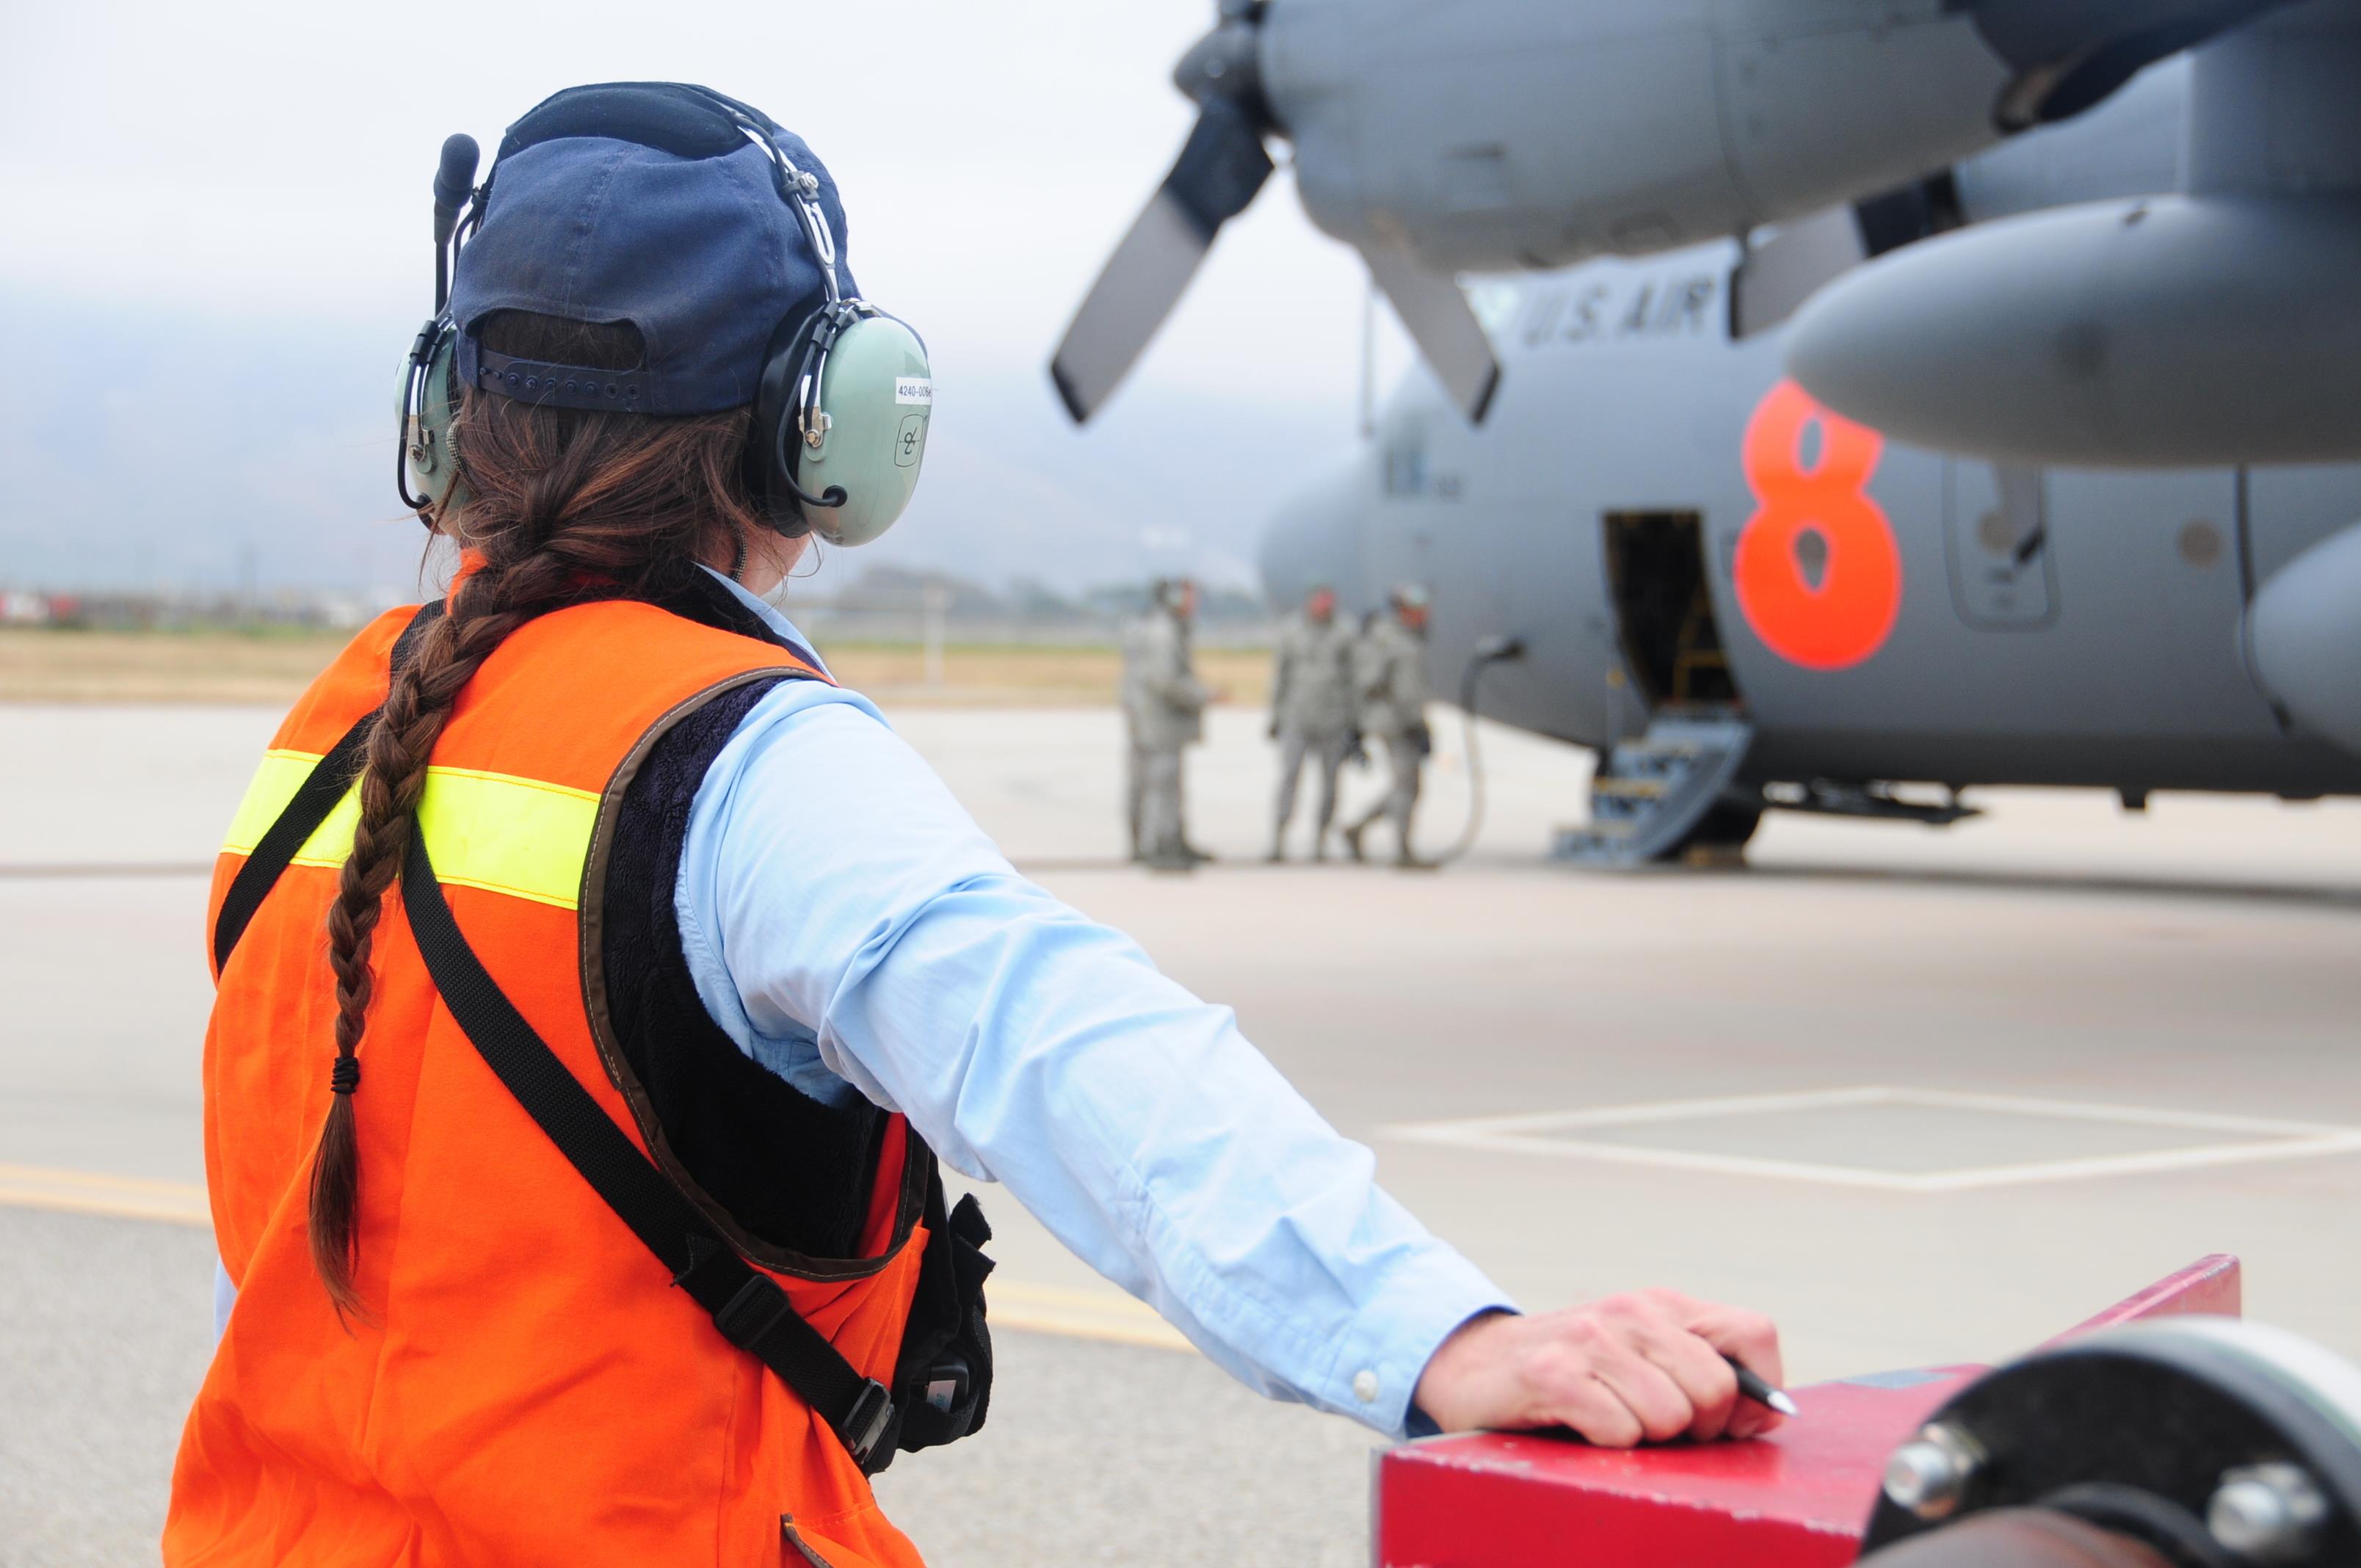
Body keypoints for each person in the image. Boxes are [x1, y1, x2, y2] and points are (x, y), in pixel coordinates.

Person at [170, 84, 1783, 1568]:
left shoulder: (332, 731)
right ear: (824, 426)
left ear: (449, 410)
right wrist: (1440, 1337)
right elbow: (1074, 1053)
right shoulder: (749, 768)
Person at [1120, 576, 1213, 871]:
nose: (1193, 602)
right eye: (1189, 596)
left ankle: (1157, 843)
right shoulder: (1164, 632)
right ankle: (1161, 847)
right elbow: (1165, 681)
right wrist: (1204, 694)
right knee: (1163, 786)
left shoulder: (1150, 626)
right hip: (1160, 723)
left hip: (1146, 721)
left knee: (1149, 785)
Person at [1344, 584, 1437, 868]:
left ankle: (1358, 828)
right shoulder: (1399, 644)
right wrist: (1417, 726)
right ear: (1405, 612)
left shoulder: (1392, 638)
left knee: (1405, 786)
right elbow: (1404, 692)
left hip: (1393, 720)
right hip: (1398, 723)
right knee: (1407, 787)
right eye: (1418, 610)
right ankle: (1402, 850)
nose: (1424, 615)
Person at [1266, 583, 1357, 861]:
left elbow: (1354, 679)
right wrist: (1276, 715)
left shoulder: (1345, 632)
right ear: (1309, 601)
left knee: (1330, 783)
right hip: (1297, 717)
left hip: (1334, 720)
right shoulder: (1291, 631)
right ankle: (1278, 841)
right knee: (1289, 777)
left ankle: (1320, 840)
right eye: (1319, 599)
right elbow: (1280, 675)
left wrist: (1356, 722)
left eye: (1328, 599)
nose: (1324, 605)